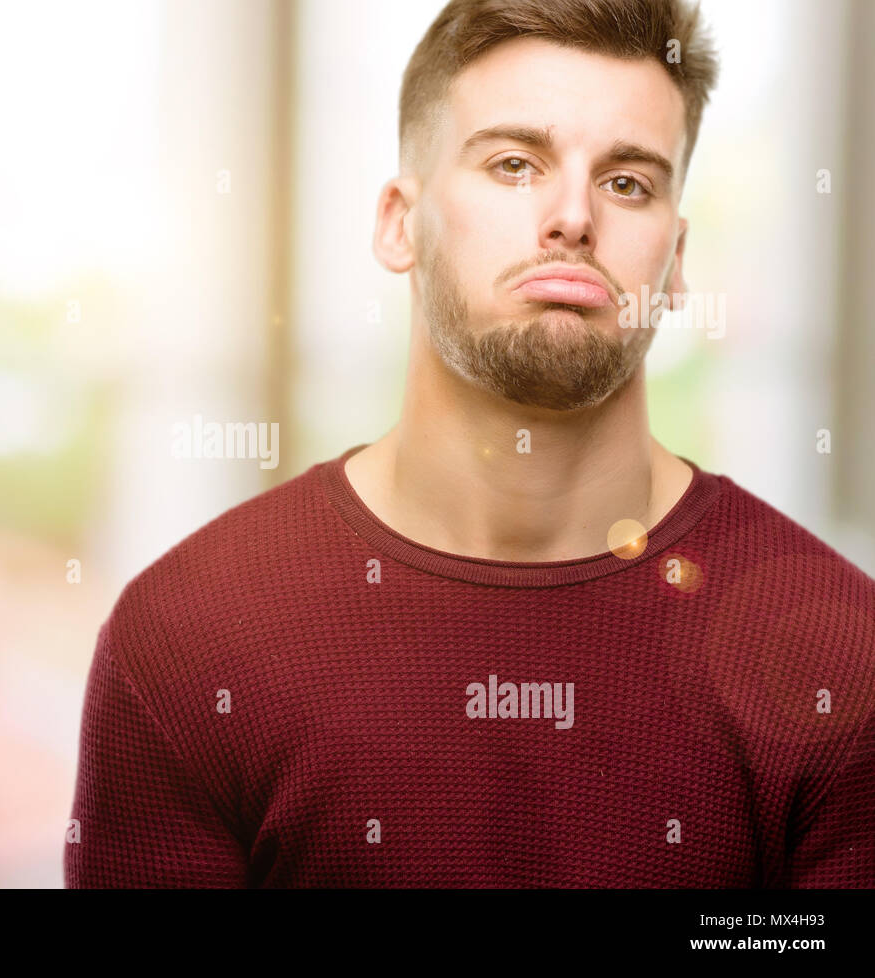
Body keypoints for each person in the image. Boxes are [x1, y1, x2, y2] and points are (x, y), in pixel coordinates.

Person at [64, 0, 875, 887]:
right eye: (514, 164)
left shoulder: (842, 659)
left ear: (675, 261)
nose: (572, 217)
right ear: (397, 224)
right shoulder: (186, 639)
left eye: (628, 182)